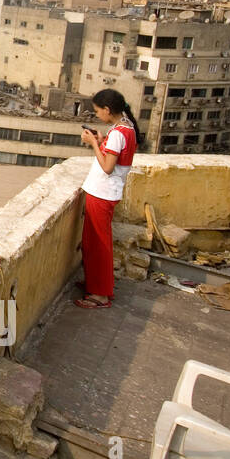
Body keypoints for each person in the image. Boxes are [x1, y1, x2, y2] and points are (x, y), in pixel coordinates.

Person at [76, 89, 140, 309]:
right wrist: (102, 140)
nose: (97, 115)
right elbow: (116, 155)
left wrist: (93, 143)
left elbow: (107, 167)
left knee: (98, 244)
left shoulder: (119, 133)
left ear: (107, 109)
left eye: (97, 111)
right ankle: (96, 284)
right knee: (93, 242)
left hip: (103, 193)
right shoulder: (126, 127)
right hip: (106, 192)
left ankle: (101, 294)